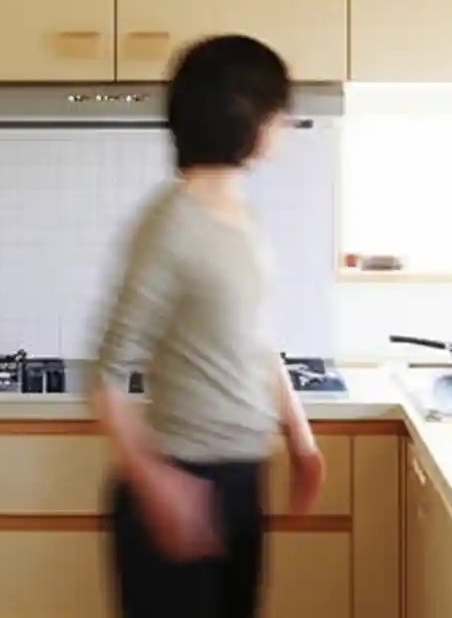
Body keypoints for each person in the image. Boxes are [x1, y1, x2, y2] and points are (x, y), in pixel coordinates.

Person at [89, 34, 325, 618]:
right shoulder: (170, 225)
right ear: (242, 113)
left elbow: (256, 340)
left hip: (242, 480)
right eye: (278, 107)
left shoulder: (242, 217)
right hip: (180, 485)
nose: (286, 121)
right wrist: (156, 483)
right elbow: (104, 378)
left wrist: (301, 440)